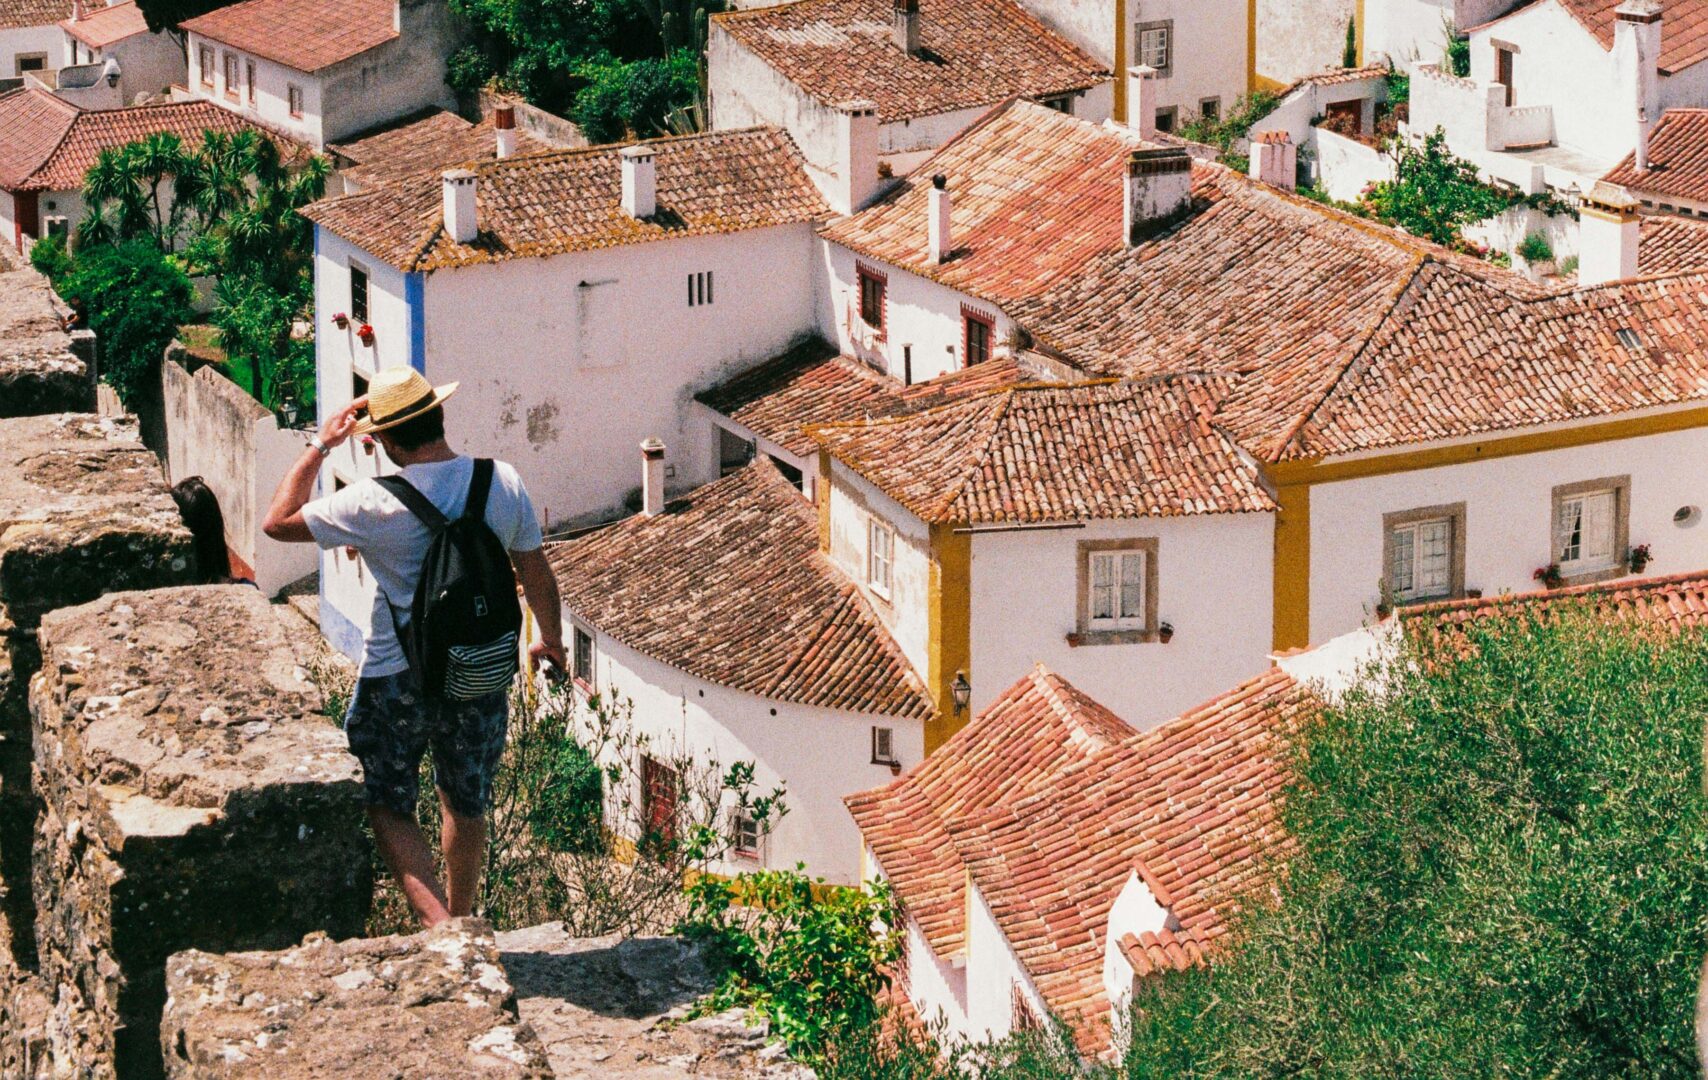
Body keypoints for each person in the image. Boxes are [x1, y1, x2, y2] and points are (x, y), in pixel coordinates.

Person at [261, 368, 566, 927]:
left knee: (385, 800)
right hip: (478, 667)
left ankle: (439, 926)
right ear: (439, 416)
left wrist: (321, 446)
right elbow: (536, 573)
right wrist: (551, 639)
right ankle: (464, 916)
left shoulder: (370, 503)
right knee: (465, 799)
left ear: (382, 439)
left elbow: (276, 523)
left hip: (396, 673)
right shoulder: (501, 480)